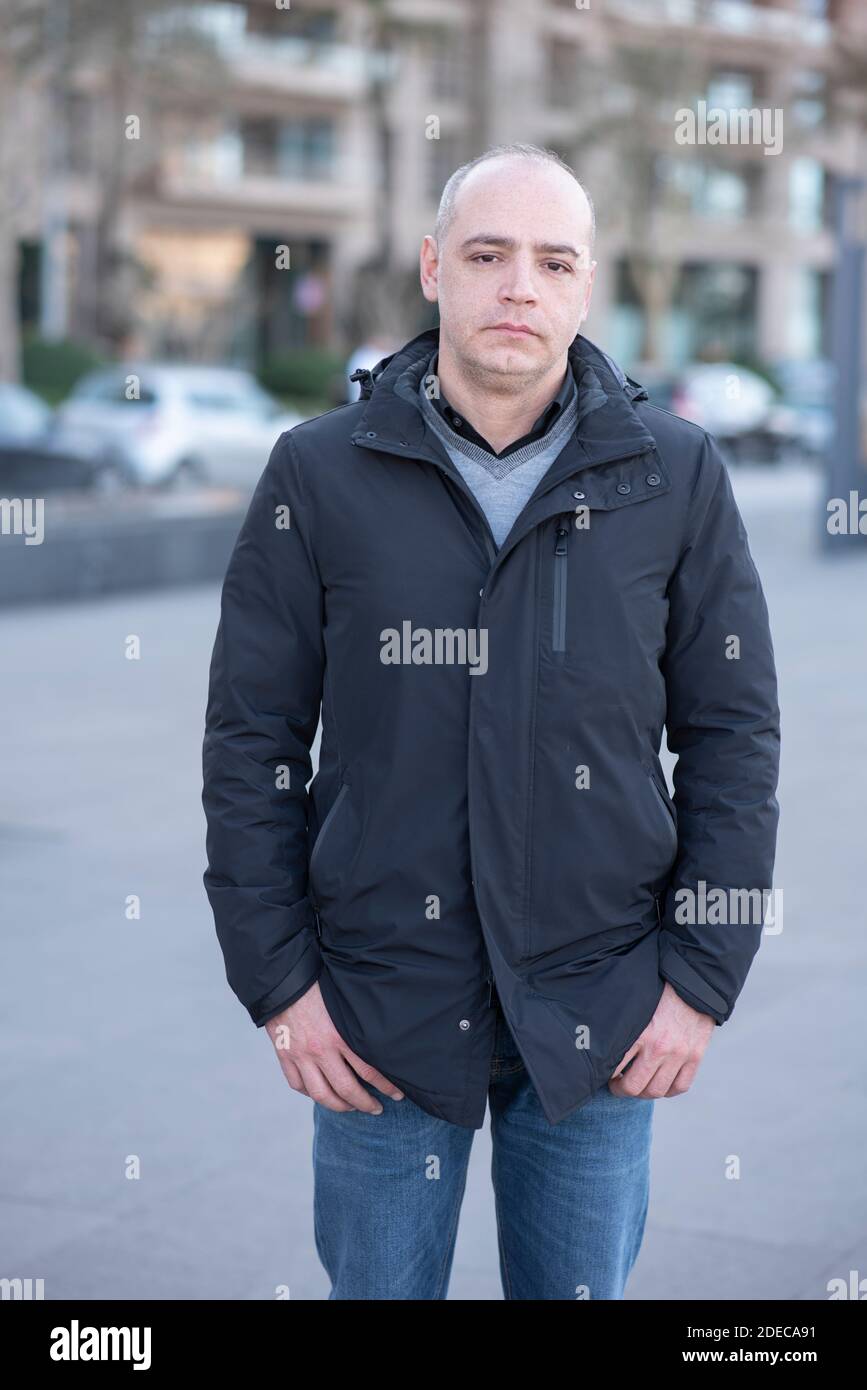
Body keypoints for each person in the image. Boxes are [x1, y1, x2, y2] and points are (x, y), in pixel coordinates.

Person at [201, 142, 780, 1300]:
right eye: (487, 253)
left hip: (605, 1014)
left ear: (585, 287)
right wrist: (280, 988)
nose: (521, 285)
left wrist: (701, 982)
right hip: (378, 1014)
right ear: (432, 268)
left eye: (553, 261)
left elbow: (735, 738)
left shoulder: (674, 474)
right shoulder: (318, 473)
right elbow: (249, 742)